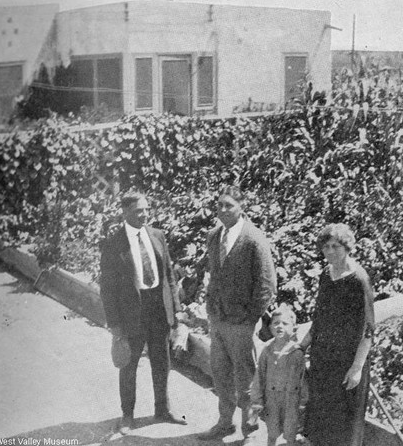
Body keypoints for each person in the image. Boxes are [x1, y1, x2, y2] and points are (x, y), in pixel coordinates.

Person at [100, 192, 187, 435]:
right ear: (125, 212)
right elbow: (107, 289)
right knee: (128, 364)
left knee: (162, 362)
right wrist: (115, 325)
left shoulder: (157, 235)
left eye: (147, 209)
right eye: (139, 211)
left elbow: (169, 275)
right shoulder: (113, 245)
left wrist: (176, 310)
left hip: (159, 309)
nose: (145, 214)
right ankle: (127, 415)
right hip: (131, 314)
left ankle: (163, 409)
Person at [198, 185, 277, 443]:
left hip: (241, 323)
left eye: (229, 205)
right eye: (219, 205)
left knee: (246, 379)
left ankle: (251, 431)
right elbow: (215, 275)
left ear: (242, 206)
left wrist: (250, 317)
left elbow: (267, 285)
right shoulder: (214, 236)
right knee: (220, 374)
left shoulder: (253, 238)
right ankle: (225, 423)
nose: (223, 210)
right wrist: (212, 308)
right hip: (218, 319)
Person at [299, 223, 375, 446]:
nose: (330, 251)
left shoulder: (359, 280)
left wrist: (357, 368)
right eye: (326, 247)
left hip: (347, 359)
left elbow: (369, 330)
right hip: (324, 357)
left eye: (335, 246)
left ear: (347, 247)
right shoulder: (326, 274)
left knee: (344, 420)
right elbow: (319, 316)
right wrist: (303, 345)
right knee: (321, 409)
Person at [250, 303, 308, 446]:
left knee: (290, 431)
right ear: (270, 327)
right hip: (272, 397)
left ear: (293, 328)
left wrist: (303, 401)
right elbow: (260, 376)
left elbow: (303, 378)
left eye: (285, 323)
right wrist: (257, 399)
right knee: (272, 430)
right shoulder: (267, 351)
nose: (279, 326)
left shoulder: (297, 353)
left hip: (291, 399)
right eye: (275, 323)